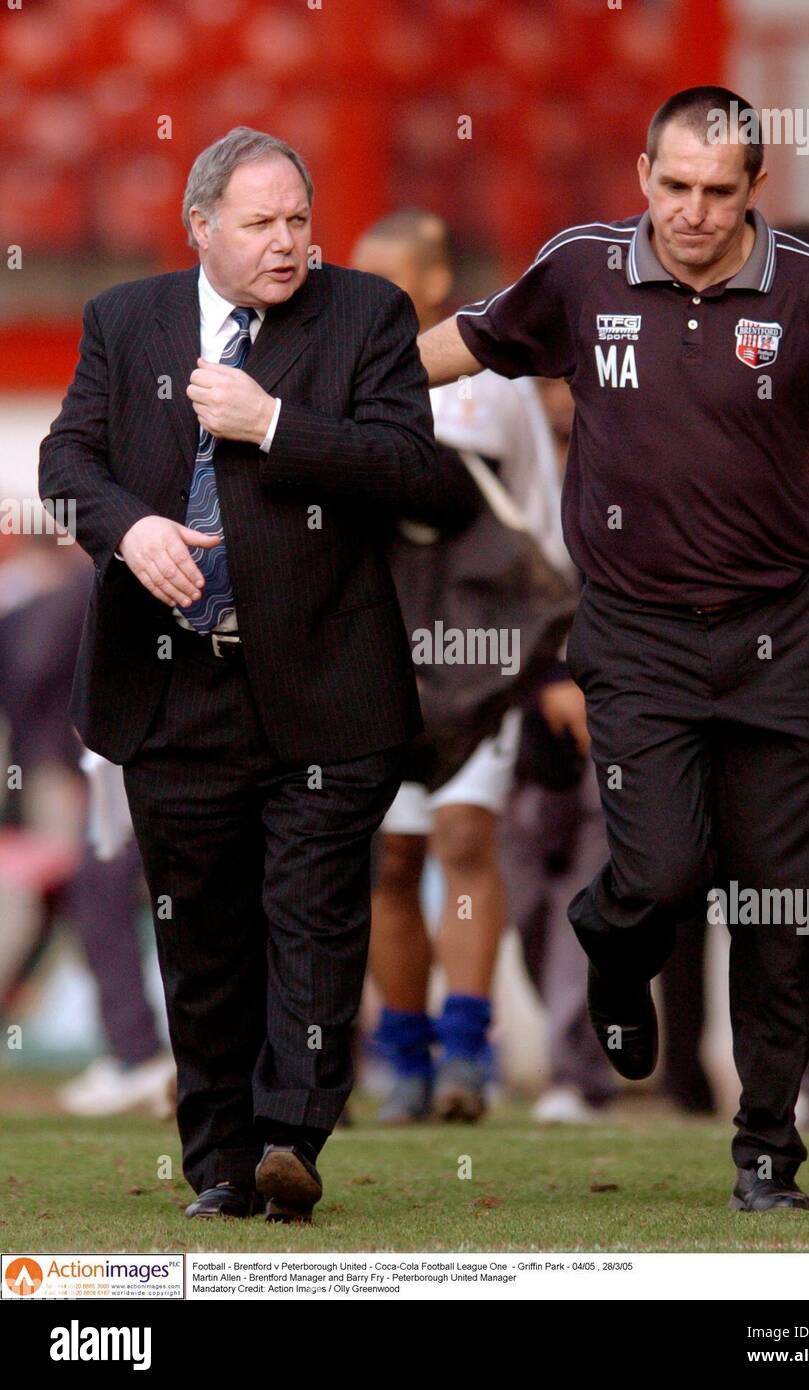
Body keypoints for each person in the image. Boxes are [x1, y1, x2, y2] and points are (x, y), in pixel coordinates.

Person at [416, 86, 809, 1211]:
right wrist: (335, 388)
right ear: (643, 174)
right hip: (633, 636)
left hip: (775, 636)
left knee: (783, 900)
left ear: (753, 190)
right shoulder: (580, 269)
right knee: (657, 869)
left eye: (716, 192)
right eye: (673, 186)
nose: (691, 212)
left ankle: (765, 1149)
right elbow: (471, 341)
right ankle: (609, 936)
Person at [38, 126, 476, 1222]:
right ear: (200, 229)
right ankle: (219, 1165)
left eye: (297, 221)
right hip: (169, 682)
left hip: (327, 680)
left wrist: (274, 423)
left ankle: (290, 1137)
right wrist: (127, 530)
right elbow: (64, 462)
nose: (286, 244)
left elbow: (418, 476)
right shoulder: (122, 319)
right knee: (203, 938)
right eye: (259, 225)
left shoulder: (365, 313)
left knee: (317, 918)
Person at [351, 211, 569, 1122]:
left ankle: (466, 1052)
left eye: (386, 275)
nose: (365, 293)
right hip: (382, 655)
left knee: (465, 839)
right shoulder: (343, 378)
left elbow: (538, 525)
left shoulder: (490, 384)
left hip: (479, 662)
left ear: (436, 281)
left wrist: (550, 656)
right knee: (393, 859)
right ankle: (402, 1051)